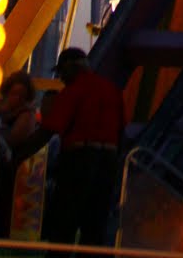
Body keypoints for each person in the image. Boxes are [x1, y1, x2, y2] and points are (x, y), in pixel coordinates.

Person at [35, 47, 126, 244]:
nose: (60, 78)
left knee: (64, 224)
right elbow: (121, 132)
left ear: (71, 69)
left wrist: (18, 155)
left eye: (61, 73)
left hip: (79, 162)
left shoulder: (73, 91)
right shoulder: (111, 90)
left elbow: (48, 130)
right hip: (108, 164)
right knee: (95, 226)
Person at [0, 73, 40, 236]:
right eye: (14, 94)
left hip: (12, 166)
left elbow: (14, 138)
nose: (17, 99)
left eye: (21, 95)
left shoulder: (26, 115)